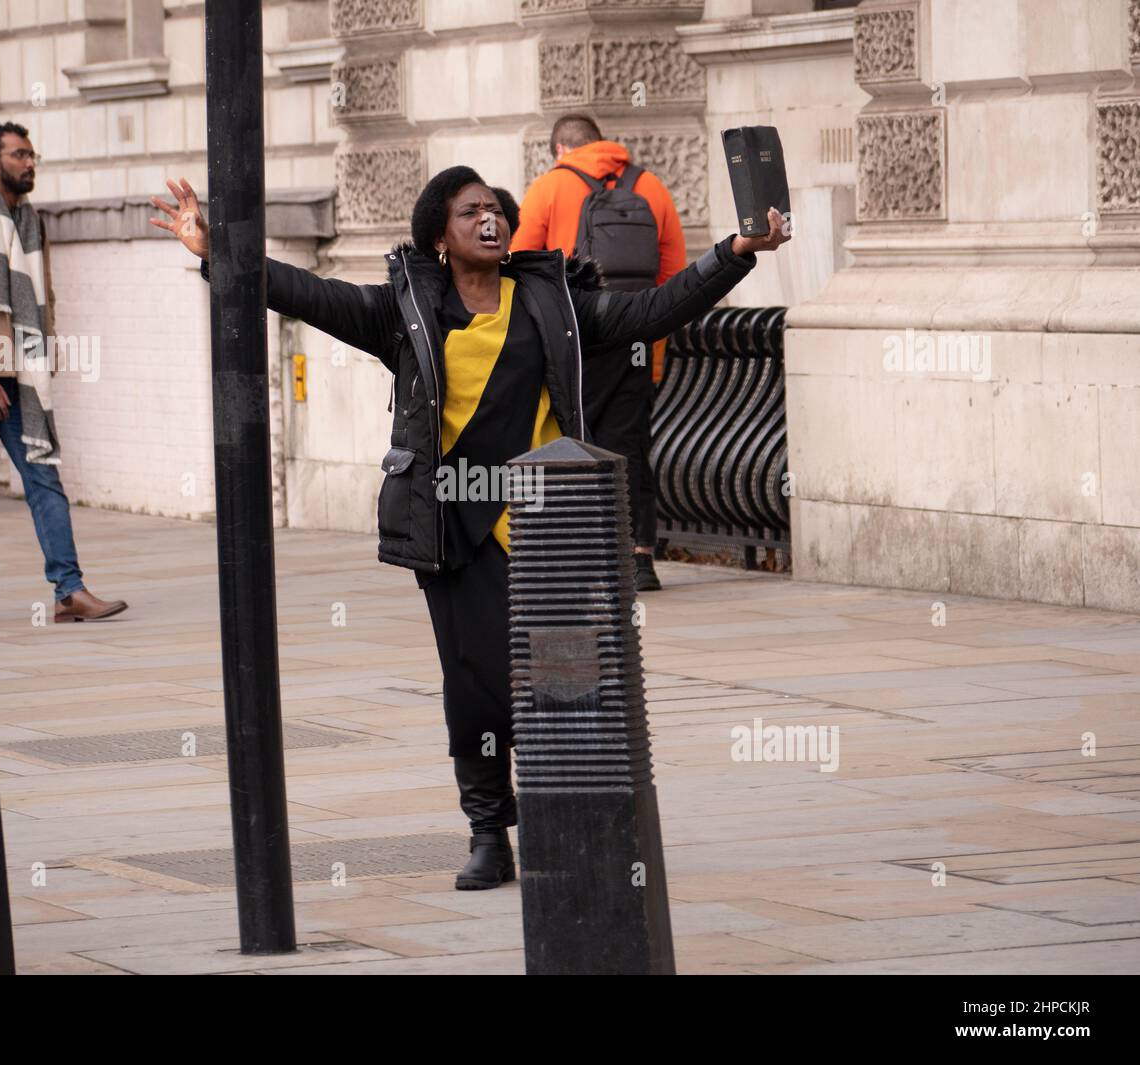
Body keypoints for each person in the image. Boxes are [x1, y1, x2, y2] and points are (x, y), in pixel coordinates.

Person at [151, 170, 789, 889]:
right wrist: (218, 256)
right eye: (470, 211)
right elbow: (306, 293)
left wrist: (736, 250)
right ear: (439, 235)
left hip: (552, 529)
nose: (489, 220)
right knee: (476, 684)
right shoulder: (406, 309)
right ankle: (489, 830)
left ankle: (570, 816)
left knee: (566, 677)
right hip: (456, 528)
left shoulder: (553, 300)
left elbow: (651, 312)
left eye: (495, 210)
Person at [0, 122, 127, 624]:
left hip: (22, 380)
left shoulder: (31, 222)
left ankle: (70, 591)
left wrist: (42, 360)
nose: (30, 163)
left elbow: (45, 298)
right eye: (20, 155)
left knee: (45, 480)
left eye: (33, 154)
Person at [512, 114, 688, 591]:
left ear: (560, 151)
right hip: (635, 337)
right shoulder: (650, 185)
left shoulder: (549, 187)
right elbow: (673, 277)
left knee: (571, 440)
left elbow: (518, 266)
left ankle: (582, 554)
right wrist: (652, 349)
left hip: (575, 339)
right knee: (629, 446)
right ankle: (640, 557)